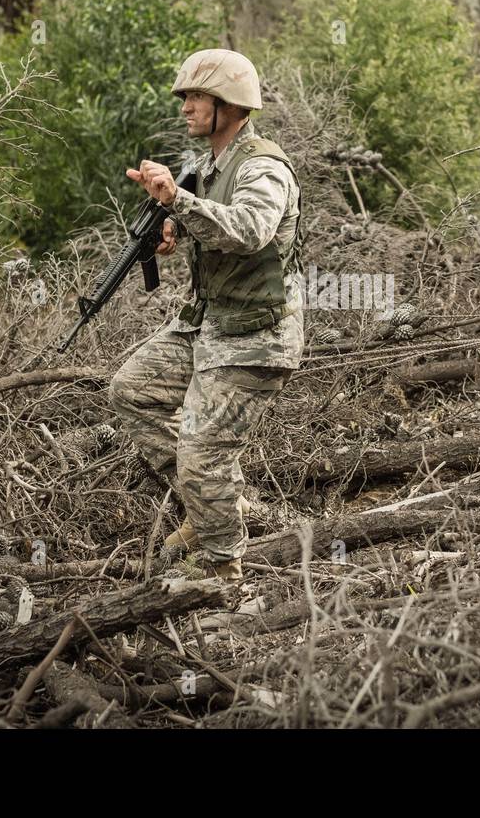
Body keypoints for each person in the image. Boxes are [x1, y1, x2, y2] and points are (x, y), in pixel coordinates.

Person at [109, 48, 304, 583]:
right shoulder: (206, 166)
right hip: (208, 322)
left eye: (196, 96)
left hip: (256, 335)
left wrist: (180, 203)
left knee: (200, 453)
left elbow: (250, 230)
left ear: (229, 104)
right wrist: (175, 223)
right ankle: (213, 505)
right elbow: (206, 218)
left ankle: (222, 575)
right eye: (186, 97)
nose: (186, 107)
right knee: (131, 391)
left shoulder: (262, 166)